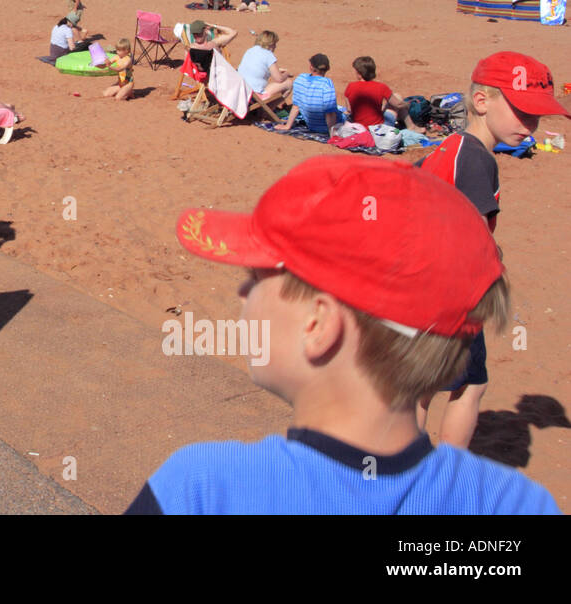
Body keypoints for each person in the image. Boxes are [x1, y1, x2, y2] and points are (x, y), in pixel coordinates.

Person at [127, 155, 557, 514]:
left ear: (318, 325)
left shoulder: (202, 490)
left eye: (255, 277)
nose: (241, 292)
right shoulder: (515, 503)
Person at [416, 52, 570, 450]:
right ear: (482, 102)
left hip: (418, 286)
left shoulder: (450, 147)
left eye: (537, 117)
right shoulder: (477, 161)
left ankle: (407, 467)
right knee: (471, 385)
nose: (531, 126)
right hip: (452, 296)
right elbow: (475, 239)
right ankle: (445, 471)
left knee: (420, 384)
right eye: (522, 112)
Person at [277, 54, 341, 134]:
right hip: (326, 127)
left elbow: (296, 106)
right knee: (343, 112)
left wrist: (287, 126)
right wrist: (332, 134)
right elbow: (330, 113)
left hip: (311, 125)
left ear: (311, 67)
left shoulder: (300, 79)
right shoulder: (327, 84)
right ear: (328, 68)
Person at [346, 56, 415, 128]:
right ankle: (412, 127)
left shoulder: (350, 86)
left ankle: (411, 126)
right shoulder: (381, 87)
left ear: (359, 74)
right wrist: (408, 105)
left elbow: (349, 109)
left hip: (360, 128)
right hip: (379, 128)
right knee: (397, 97)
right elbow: (398, 105)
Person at [237, 30, 292, 103]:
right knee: (289, 84)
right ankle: (268, 111)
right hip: (254, 96)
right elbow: (279, 79)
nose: (275, 46)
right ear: (270, 44)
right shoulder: (268, 55)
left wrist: (278, 70)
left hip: (240, 91)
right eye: (274, 44)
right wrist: (287, 74)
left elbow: (257, 67)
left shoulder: (250, 51)